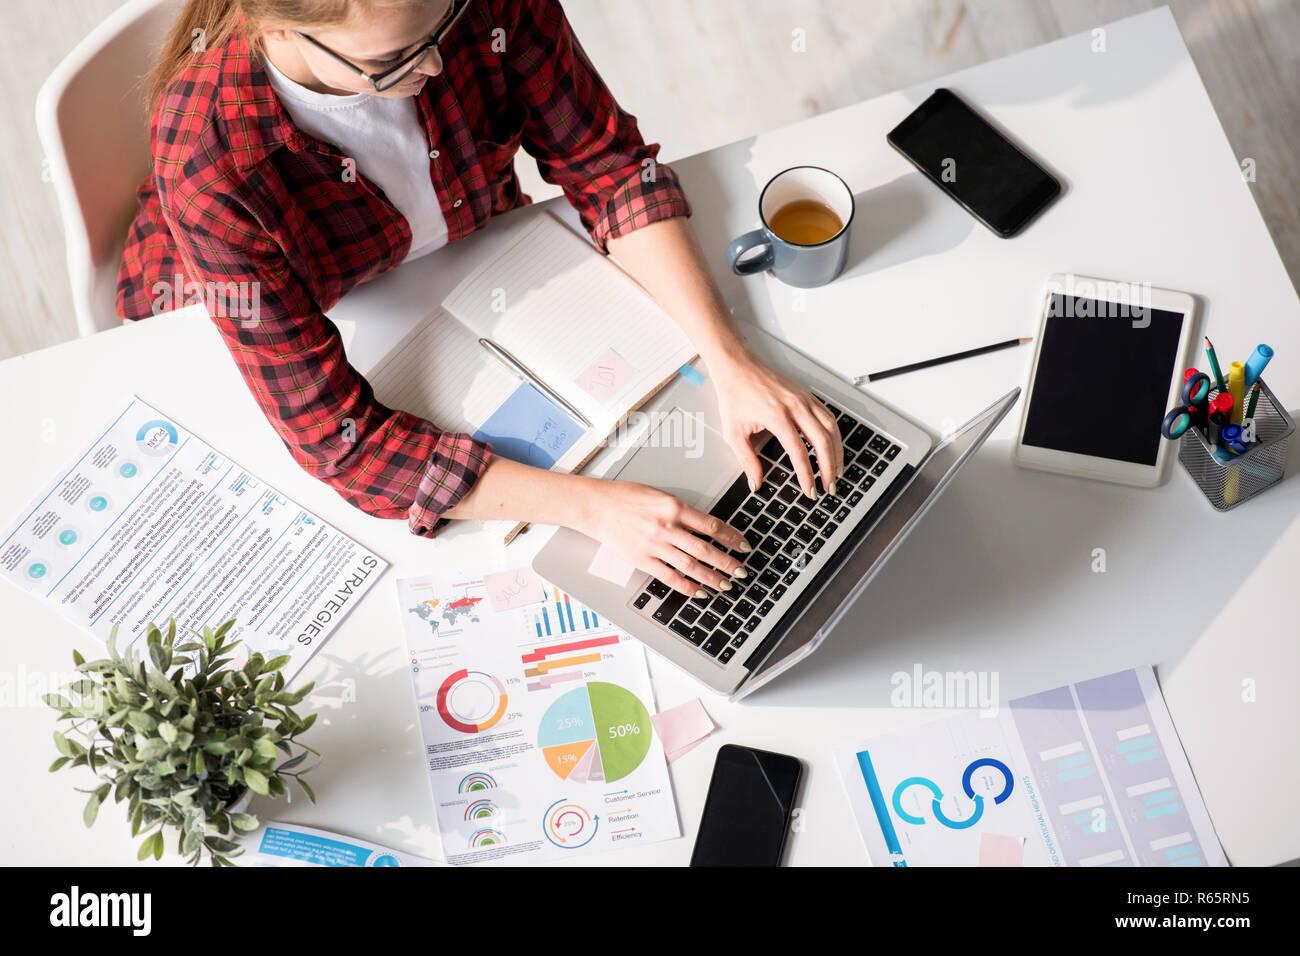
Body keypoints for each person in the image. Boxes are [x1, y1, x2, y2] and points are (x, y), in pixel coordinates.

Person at [119, 0, 843, 598]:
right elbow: (336, 439)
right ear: (278, 29)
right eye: (394, 62)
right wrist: (595, 508)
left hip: (468, 257)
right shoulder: (208, 165)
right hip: (264, 311)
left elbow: (611, 170)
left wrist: (729, 359)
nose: (435, 65)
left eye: (442, 27)